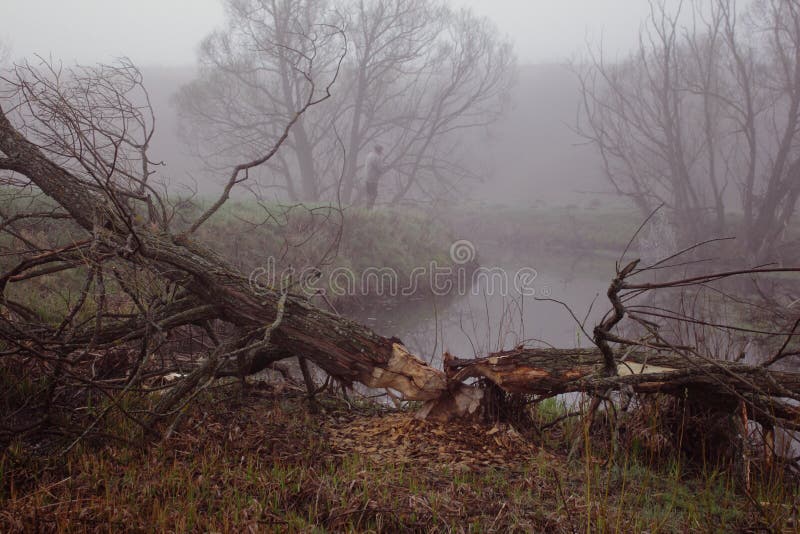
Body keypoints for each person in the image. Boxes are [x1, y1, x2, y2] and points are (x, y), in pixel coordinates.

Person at [364, 144, 386, 210]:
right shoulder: (377, 157)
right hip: (373, 179)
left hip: (367, 178)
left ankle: (368, 209)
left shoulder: (369, 155)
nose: (381, 152)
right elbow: (380, 168)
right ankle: (369, 208)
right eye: (381, 150)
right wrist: (384, 168)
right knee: (374, 194)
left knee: (369, 194)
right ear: (379, 150)